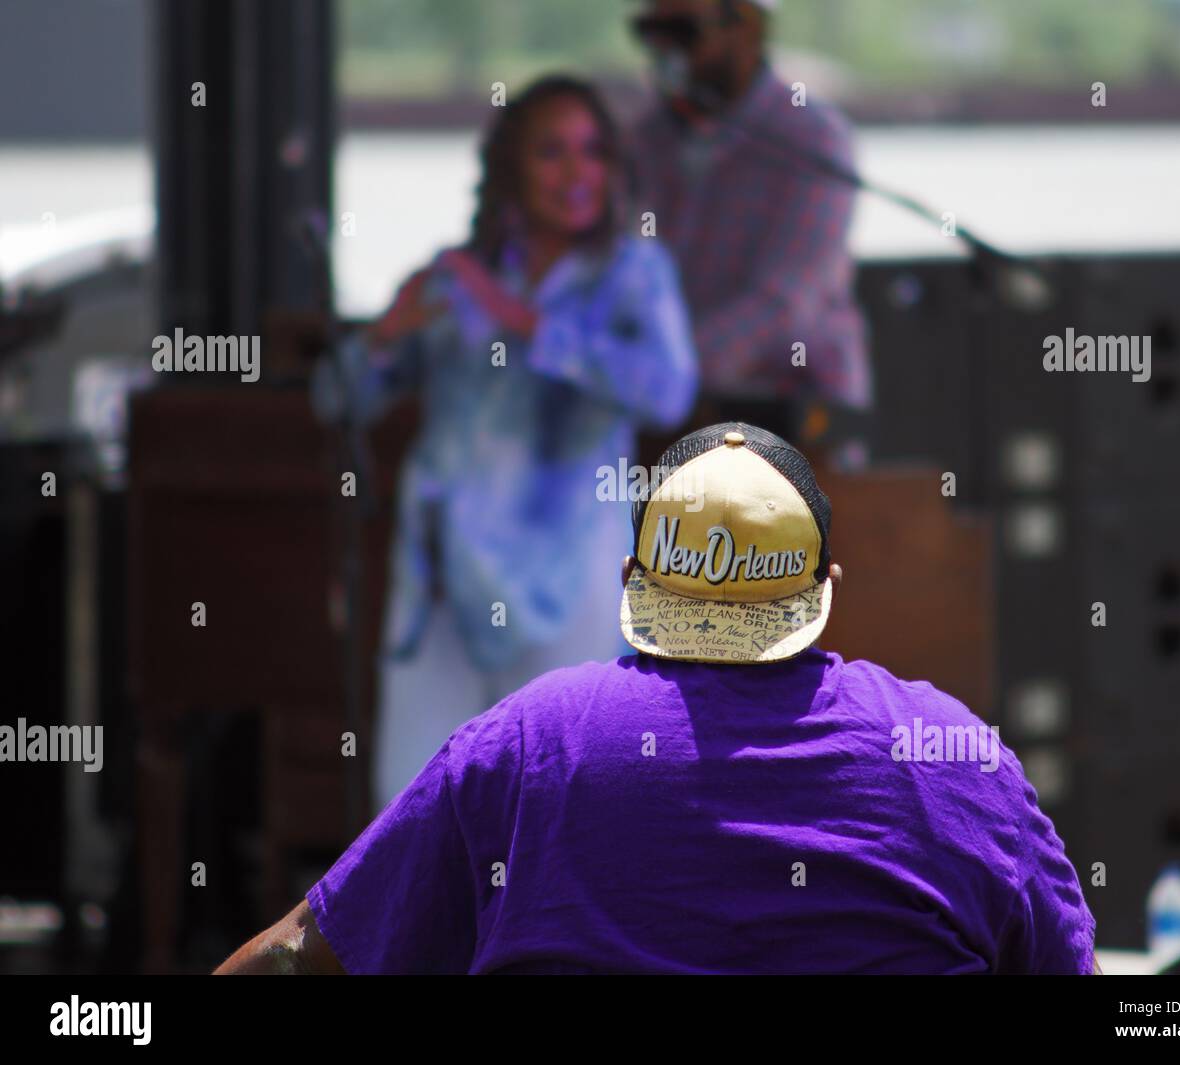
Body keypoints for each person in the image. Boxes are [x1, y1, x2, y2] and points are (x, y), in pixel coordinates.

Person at [217, 422, 1098, 974]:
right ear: (824, 587)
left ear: (638, 581)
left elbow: (300, 956)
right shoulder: (951, 756)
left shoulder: (526, 744)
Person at [312, 75, 698, 812]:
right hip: (444, 580)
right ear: (511, 167)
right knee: (421, 802)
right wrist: (384, 335)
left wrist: (524, 323)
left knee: (572, 797)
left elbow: (667, 390)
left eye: (593, 152)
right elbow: (338, 399)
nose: (576, 172)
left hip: (570, 576)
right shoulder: (457, 276)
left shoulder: (633, 274)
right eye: (551, 151)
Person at [628, 0, 871, 446]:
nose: (662, 48)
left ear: (746, 28)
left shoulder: (812, 139)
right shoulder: (642, 141)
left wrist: (664, 369)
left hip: (792, 417)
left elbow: (783, 303)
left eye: (682, 30)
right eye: (648, 30)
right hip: (669, 411)